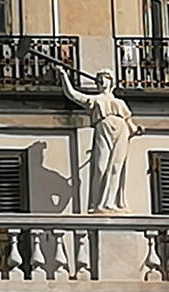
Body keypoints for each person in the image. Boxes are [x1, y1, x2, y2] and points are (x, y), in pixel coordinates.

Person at [58, 68, 142, 212]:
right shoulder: (96, 100)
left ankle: (111, 203)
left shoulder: (120, 103)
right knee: (100, 167)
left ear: (111, 82)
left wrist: (136, 130)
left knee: (116, 168)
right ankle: (98, 203)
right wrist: (64, 76)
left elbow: (130, 124)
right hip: (103, 128)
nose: (103, 81)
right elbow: (72, 94)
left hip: (122, 130)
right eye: (100, 78)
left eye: (106, 78)